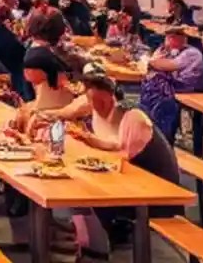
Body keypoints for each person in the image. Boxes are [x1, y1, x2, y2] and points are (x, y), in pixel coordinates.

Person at [70, 74, 182, 256]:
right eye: (92, 101)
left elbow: (121, 158)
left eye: (101, 101)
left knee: (94, 193)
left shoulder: (134, 118)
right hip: (143, 184)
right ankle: (98, 241)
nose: (97, 106)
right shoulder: (122, 115)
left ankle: (110, 240)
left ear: (112, 96)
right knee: (87, 189)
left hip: (159, 194)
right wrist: (89, 139)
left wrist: (91, 150)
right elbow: (117, 146)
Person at [139, 26, 203, 143]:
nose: (168, 40)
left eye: (172, 37)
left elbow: (168, 66)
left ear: (182, 38)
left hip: (188, 87)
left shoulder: (191, 53)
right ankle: (147, 121)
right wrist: (159, 55)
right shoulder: (171, 51)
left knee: (157, 88)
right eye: (168, 37)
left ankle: (160, 129)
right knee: (150, 83)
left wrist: (150, 62)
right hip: (174, 84)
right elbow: (156, 61)